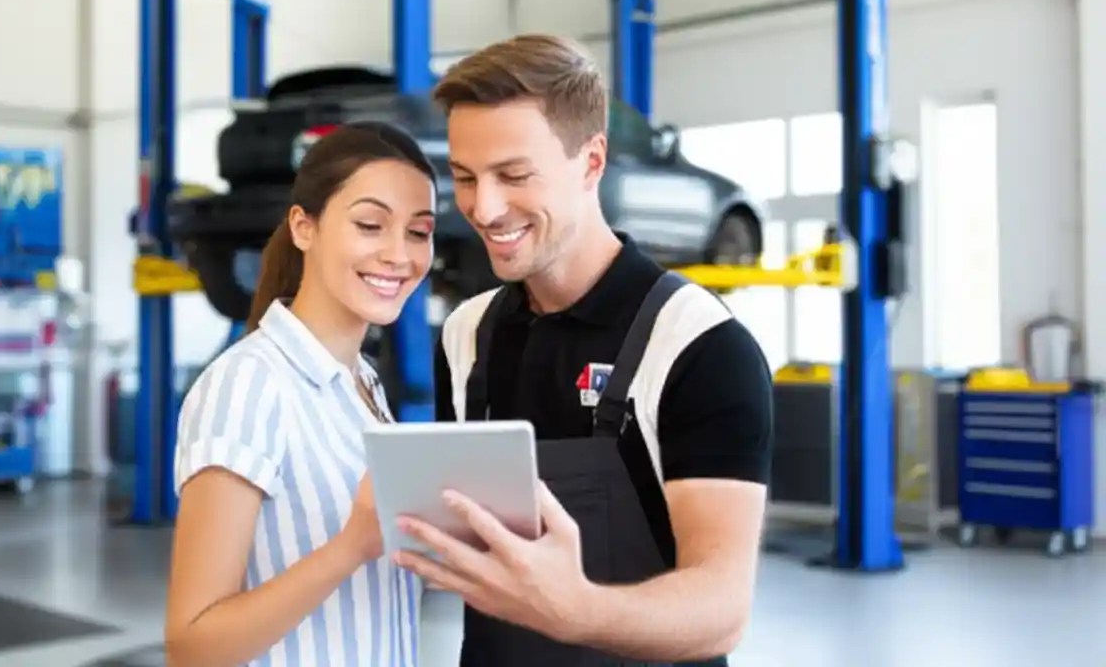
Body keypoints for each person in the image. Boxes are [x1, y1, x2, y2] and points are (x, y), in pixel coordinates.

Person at [390, 34, 774, 667]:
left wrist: (576, 611)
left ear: (592, 161)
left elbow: (721, 610)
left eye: (514, 175)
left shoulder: (698, 346)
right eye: (464, 177)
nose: (484, 208)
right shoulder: (466, 336)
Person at [165, 122, 439, 667]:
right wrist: (351, 548)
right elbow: (192, 647)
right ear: (303, 227)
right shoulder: (247, 386)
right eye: (370, 224)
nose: (398, 254)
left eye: (419, 232)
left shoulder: (364, 385)